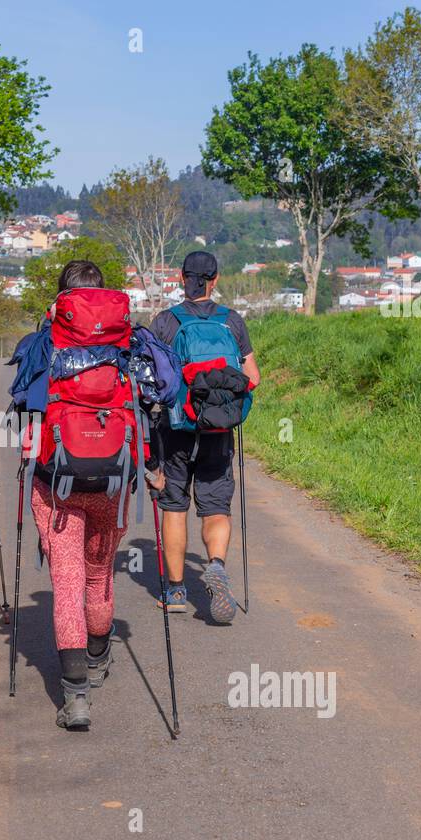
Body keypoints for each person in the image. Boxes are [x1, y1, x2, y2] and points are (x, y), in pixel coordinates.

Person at [17, 260, 153, 730]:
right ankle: (97, 656)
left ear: (62, 300)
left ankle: (75, 698)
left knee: (68, 583)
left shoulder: (44, 342)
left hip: (56, 482)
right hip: (115, 479)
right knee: (100, 577)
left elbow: (25, 409)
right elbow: (161, 394)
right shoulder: (130, 341)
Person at [145, 251, 259, 623]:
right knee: (216, 506)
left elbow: (151, 383)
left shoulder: (165, 322)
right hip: (218, 429)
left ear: (181, 278)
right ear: (216, 279)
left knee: (174, 506)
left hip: (176, 430)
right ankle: (216, 564)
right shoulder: (232, 321)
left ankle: (176, 590)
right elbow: (252, 377)